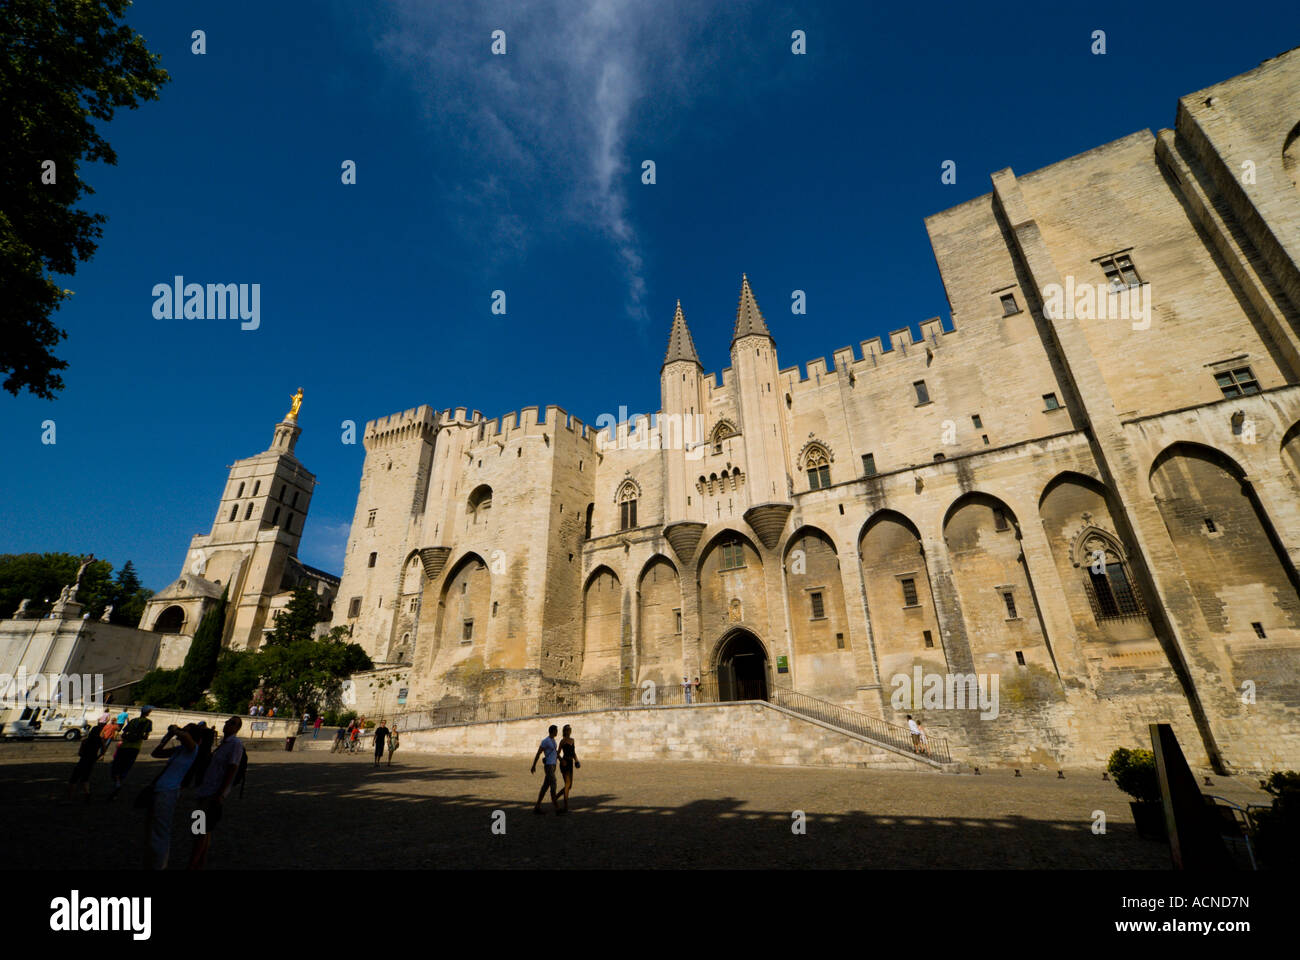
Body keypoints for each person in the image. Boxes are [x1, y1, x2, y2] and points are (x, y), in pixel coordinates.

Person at [188, 717, 245, 870]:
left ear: (237, 728)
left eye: (233, 723)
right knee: (202, 830)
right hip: (205, 790)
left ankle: (192, 864)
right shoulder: (223, 744)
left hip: (213, 793)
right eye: (228, 722)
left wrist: (221, 793)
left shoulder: (235, 744)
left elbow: (232, 768)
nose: (228, 724)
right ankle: (199, 863)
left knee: (200, 830)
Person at [145, 723, 200, 870]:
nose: (182, 731)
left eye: (186, 729)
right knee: (152, 828)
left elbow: (185, 737)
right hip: (159, 789)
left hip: (169, 791)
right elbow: (156, 753)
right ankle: (153, 862)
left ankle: (159, 865)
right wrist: (167, 737)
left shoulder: (193, 749)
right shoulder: (180, 749)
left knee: (161, 830)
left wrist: (176, 730)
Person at [109, 706, 154, 798]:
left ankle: (117, 782)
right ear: (148, 713)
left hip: (125, 746)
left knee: (117, 764)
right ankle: (120, 782)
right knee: (127, 765)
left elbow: (124, 733)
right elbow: (146, 737)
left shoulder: (133, 721)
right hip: (135, 747)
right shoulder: (148, 722)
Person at [67, 721, 107, 801]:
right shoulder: (100, 741)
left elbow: (80, 753)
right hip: (92, 761)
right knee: (85, 778)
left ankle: (70, 798)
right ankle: (87, 794)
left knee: (73, 779)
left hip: (83, 760)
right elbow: (104, 750)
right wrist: (98, 756)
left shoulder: (85, 741)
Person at [531, 724, 562, 815]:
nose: (557, 732)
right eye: (556, 730)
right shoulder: (545, 741)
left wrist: (560, 759)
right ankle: (556, 807)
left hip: (553, 765)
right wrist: (534, 765)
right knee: (554, 784)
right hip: (548, 766)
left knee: (545, 787)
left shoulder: (553, 741)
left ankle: (537, 806)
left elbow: (555, 752)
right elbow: (539, 753)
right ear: (552, 731)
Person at [557, 724, 580, 813]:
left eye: (570, 730)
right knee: (567, 783)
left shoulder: (572, 740)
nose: (569, 731)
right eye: (567, 730)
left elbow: (573, 752)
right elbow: (557, 753)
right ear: (564, 731)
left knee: (569, 785)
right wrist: (561, 760)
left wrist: (577, 761)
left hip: (570, 763)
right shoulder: (562, 741)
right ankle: (565, 807)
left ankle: (555, 797)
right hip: (565, 763)